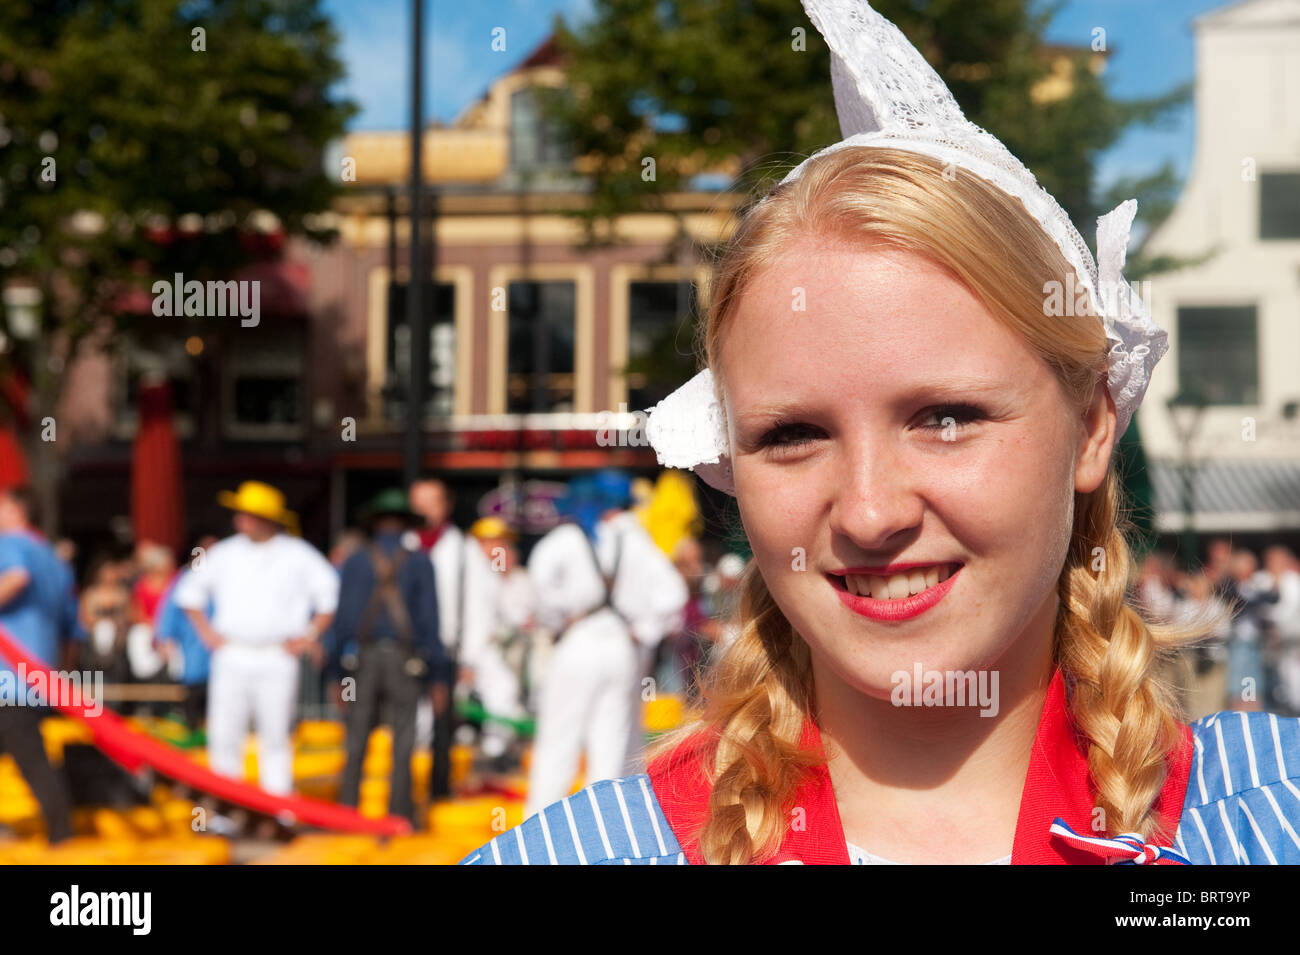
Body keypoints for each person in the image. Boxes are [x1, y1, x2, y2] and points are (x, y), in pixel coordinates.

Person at [462, 0, 1300, 865]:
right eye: (791, 433)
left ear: (1092, 428)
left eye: (945, 417)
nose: (867, 511)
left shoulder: (1270, 818)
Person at [522, 470, 688, 817]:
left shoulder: (568, 537)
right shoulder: (636, 539)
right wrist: (644, 630)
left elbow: (538, 580)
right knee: (611, 748)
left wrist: (556, 619)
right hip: (622, 648)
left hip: (578, 643)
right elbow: (674, 594)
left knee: (558, 742)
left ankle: (539, 835)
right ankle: (604, 834)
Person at [175, 481, 338, 796]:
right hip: (232, 653)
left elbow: (328, 597)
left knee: (276, 734)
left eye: (247, 514)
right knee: (224, 733)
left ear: (266, 518)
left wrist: (310, 635)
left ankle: (277, 807)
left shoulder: (297, 554)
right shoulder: (223, 553)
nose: (240, 520)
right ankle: (225, 802)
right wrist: (206, 633)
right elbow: (189, 593)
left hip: (277, 655)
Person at [329, 489, 446, 824]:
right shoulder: (420, 561)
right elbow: (430, 622)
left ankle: (347, 814)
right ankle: (399, 819)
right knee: (404, 741)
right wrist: (438, 676)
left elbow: (343, 621)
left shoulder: (355, 560)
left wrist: (336, 675)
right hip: (405, 661)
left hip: (361, 660)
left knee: (355, 739)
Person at [408, 476, 492, 799]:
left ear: (446, 506)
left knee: (440, 728)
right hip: (405, 650)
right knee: (406, 728)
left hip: (445, 652)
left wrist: (470, 657)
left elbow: (478, 606)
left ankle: (437, 793)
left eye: (432, 502)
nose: (424, 509)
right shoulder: (404, 543)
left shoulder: (463, 549)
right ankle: (406, 797)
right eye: (419, 502)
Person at [0, 485, 76, 843]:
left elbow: (16, 577)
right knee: (31, 755)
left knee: (31, 758)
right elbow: (73, 628)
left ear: (16, 510)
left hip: (9, 678)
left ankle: (62, 835)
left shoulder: (11, 543)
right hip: (39, 675)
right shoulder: (52, 557)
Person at [465, 516, 535, 771]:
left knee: (504, 693)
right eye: (494, 541)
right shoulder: (470, 568)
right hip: (463, 651)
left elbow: (514, 614)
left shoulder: (497, 575)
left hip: (484, 650)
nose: (501, 548)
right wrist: (468, 660)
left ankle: (494, 756)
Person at [154, 534, 219, 730]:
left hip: (222, 651)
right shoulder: (186, 578)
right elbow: (168, 612)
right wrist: (165, 638)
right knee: (195, 693)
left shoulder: (229, 579)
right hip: (193, 646)